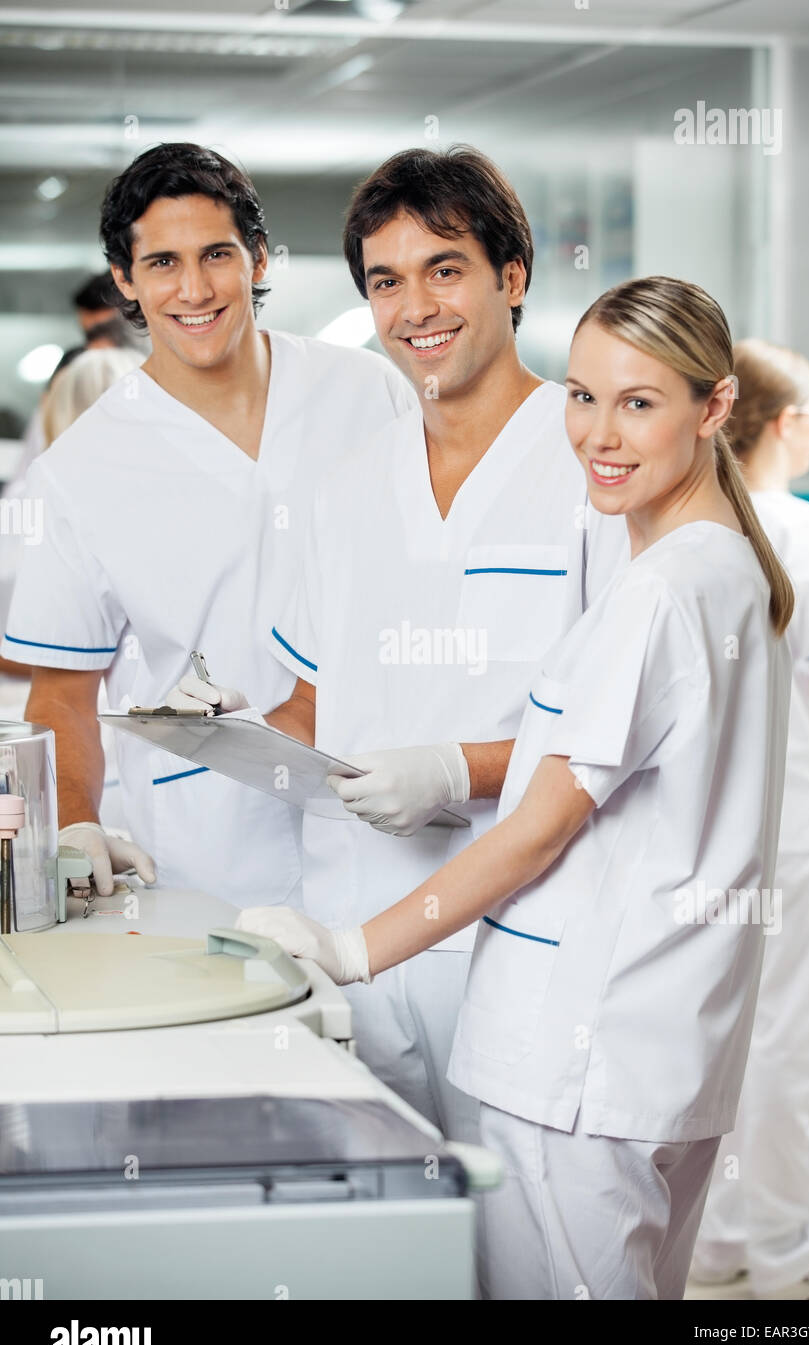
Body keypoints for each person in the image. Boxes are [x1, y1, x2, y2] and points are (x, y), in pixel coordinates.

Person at [235, 276, 794, 1300]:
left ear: (712, 408)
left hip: (575, 1065)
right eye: (580, 397)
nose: (595, 434)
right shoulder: (727, 572)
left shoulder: (655, 596)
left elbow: (534, 831)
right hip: (666, 1057)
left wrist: (350, 947)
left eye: (637, 402)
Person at [179, 146, 625, 1149]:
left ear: (511, 278)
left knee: (534, 1263)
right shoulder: (344, 486)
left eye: (444, 269)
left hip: (528, 936)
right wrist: (219, 729)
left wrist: (456, 769)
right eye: (385, 281)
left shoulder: (596, 462)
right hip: (354, 937)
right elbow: (313, 703)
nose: (413, 306)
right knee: (393, 1251)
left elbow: (628, 740)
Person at [2, 142, 414, 904]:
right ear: (126, 279)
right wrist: (76, 822)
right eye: (162, 263)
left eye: (217, 254)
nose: (194, 289)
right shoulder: (83, 470)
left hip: (392, 829)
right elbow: (62, 695)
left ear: (257, 259)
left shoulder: (367, 391)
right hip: (209, 861)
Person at [692, 340, 809, 1299]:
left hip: (721, 835)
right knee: (800, 1046)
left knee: (728, 1041)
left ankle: (719, 1244)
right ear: (786, 425)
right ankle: (792, 1259)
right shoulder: (802, 529)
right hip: (800, 826)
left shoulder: (705, 519)